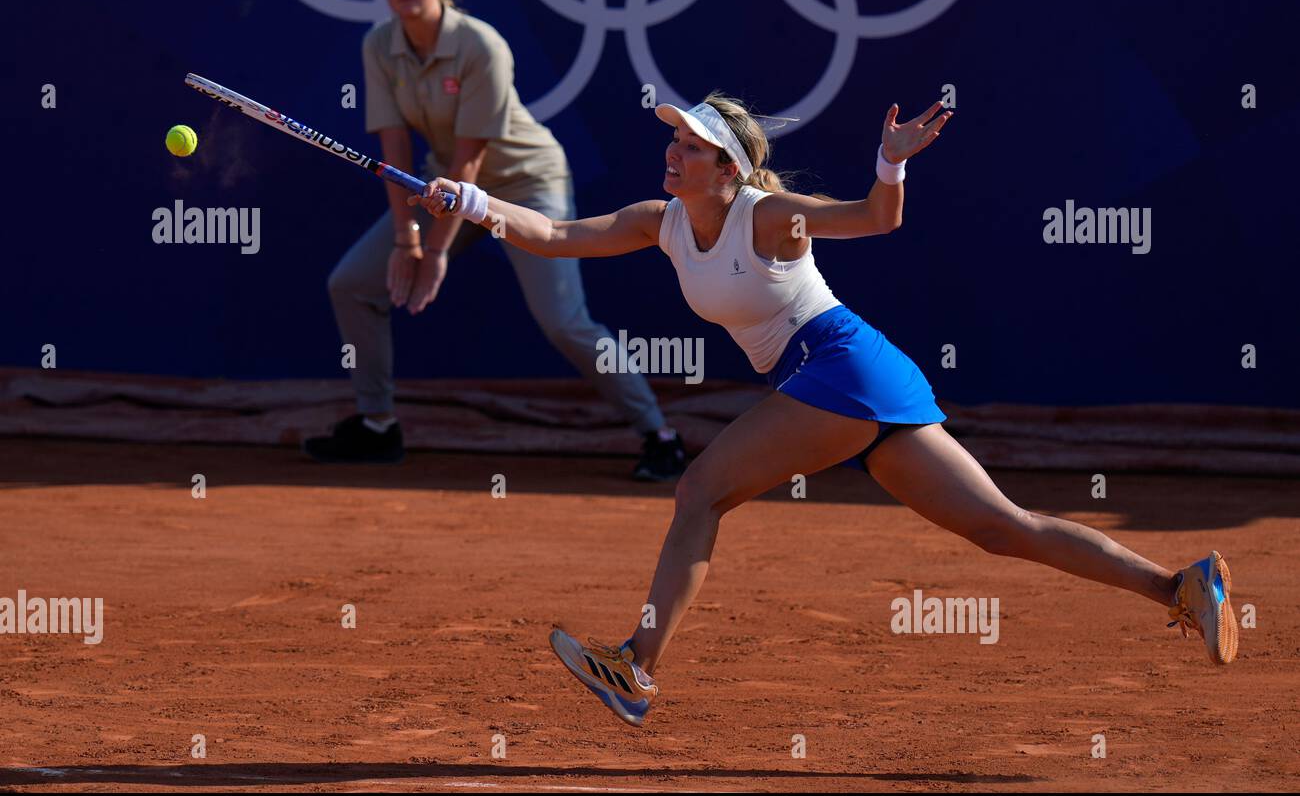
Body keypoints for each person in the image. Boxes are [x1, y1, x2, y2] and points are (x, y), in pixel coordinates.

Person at [409, 91, 1239, 728]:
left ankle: (637, 664)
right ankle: (1177, 586)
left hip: (839, 365)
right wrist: (473, 204)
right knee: (1001, 528)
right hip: (853, 378)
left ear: (728, 168)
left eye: (690, 147)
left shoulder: (766, 215)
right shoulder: (658, 222)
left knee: (701, 491)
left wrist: (890, 161)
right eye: (671, 139)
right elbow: (555, 236)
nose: (671, 153)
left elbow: (877, 220)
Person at [304, 0, 686, 481]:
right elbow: (393, 152)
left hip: (527, 185)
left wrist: (433, 252)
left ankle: (659, 434)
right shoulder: (378, 46)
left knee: (564, 322)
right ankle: (377, 425)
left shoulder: (481, 45)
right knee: (351, 283)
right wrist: (407, 239)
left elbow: (470, 160)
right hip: (441, 187)